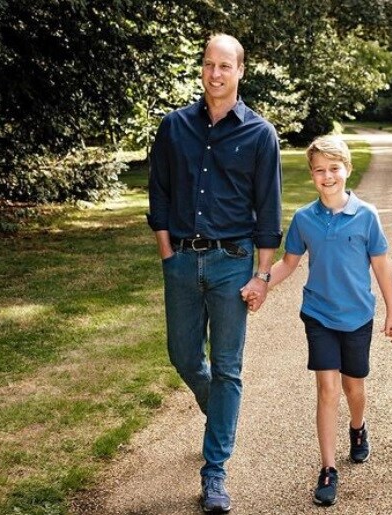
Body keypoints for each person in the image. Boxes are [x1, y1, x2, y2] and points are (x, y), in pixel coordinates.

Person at [146, 34, 282, 513]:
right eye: (209, 64)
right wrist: (167, 254)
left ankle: (215, 472)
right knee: (183, 356)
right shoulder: (174, 127)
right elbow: (158, 195)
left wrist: (262, 276)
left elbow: (268, 211)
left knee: (227, 367)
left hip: (232, 263)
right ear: (202, 69)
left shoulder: (261, 135)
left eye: (226, 65)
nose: (216, 73)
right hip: (181, 260)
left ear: (241, 71)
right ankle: (218, 415)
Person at [264, 136, 392, 507]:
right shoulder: (304, 219)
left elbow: (382, 267)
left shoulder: (367, 216)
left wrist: (391, 312)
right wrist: (260, 285)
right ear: (312, 175)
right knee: (327, 388)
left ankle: (358, 428)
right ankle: (327, 468)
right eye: (320, 170)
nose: (328, 176)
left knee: (353, 388)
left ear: (348, 169)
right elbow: (289, 264)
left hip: (357, 316)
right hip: (319, 315)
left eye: (334, 168)